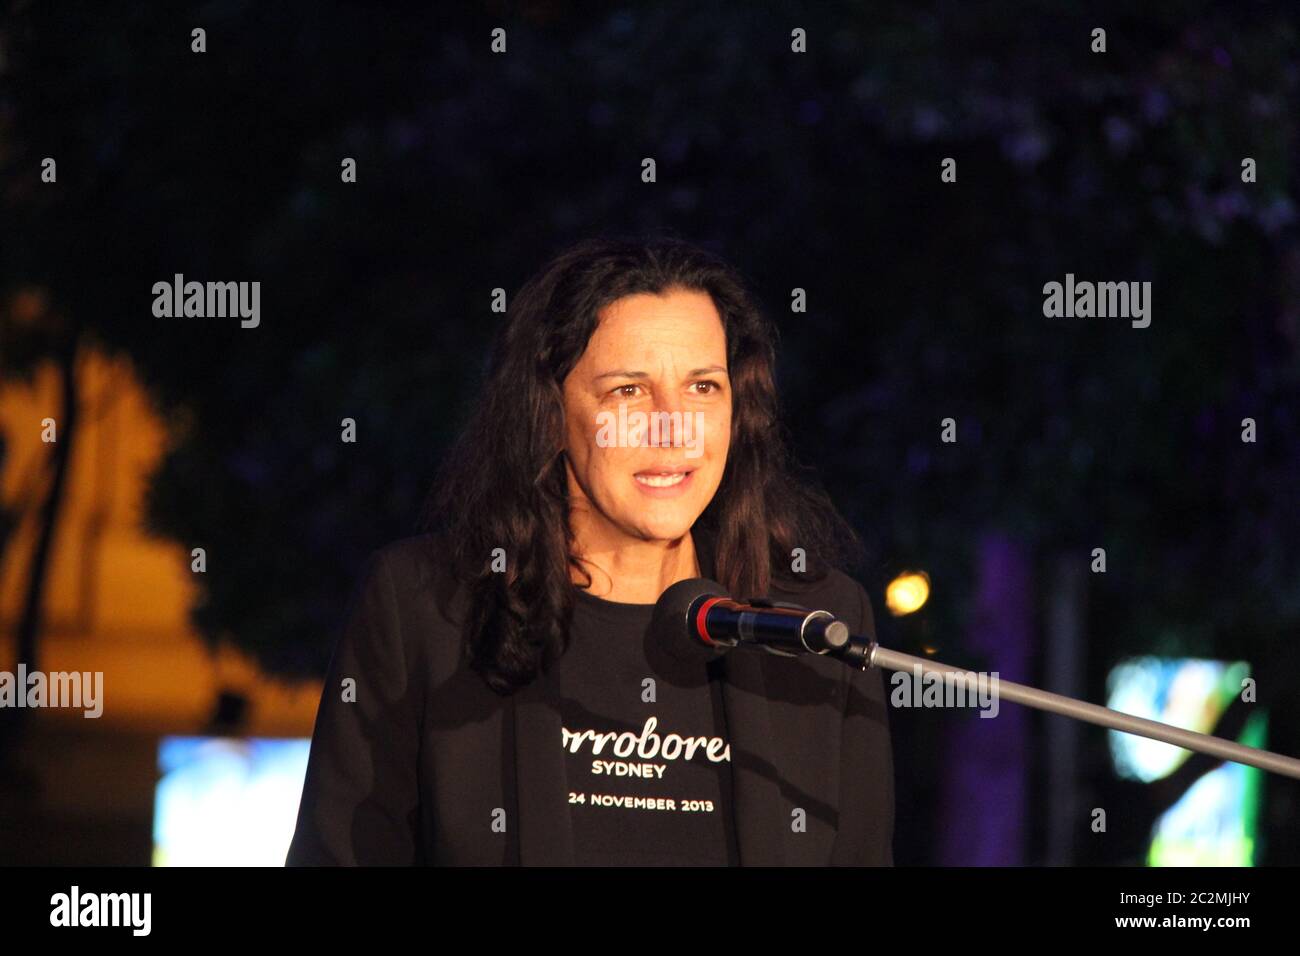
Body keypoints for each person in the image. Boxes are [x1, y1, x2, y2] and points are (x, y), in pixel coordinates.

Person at [285, 234, 894, 866]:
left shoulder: (814, 626)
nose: (672, 427)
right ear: (549, 414)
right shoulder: (424, 607)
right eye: (628, 391)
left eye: (703, 388)